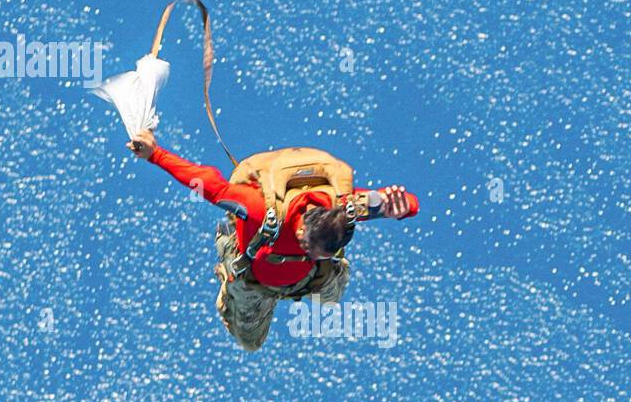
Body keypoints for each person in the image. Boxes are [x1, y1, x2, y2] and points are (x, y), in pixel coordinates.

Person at [128, 129, 418, 351]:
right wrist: (155, 154)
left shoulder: (345, 208)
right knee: (250, 342)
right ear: (303, 231)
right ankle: (227, 259)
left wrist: (400, 208)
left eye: (321, 254)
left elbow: (410, 203)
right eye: (309, 250)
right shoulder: (257, 209)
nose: (311, 255)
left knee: (330, 295)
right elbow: (210, 185)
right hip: (255, 279)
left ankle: (321, 270)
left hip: (308, 278)